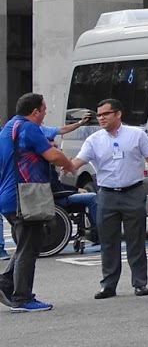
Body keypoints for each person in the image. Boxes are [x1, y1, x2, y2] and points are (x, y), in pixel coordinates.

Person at [0, 94, 84, 312]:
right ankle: (22, 298)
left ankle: (6, 284)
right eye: (44, 110)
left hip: (12, 196)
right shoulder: (28, 128)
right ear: (35, 111)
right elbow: (53, 156)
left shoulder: (8, 128)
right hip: (25, 197)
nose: (45, 114)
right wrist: (70, 165)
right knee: (30, 247)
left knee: (26, 245)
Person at [75, 98, 148, 298]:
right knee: (108, 241)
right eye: (99, 115)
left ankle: (140, 283)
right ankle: (108, 284)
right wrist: (66, 164)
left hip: (133, 192)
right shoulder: (94, 140)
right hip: (107, 195)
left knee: (136, 240)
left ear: (118, 114)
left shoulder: (136, 135)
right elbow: (79, 160)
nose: (101, 118)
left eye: (105, 114)